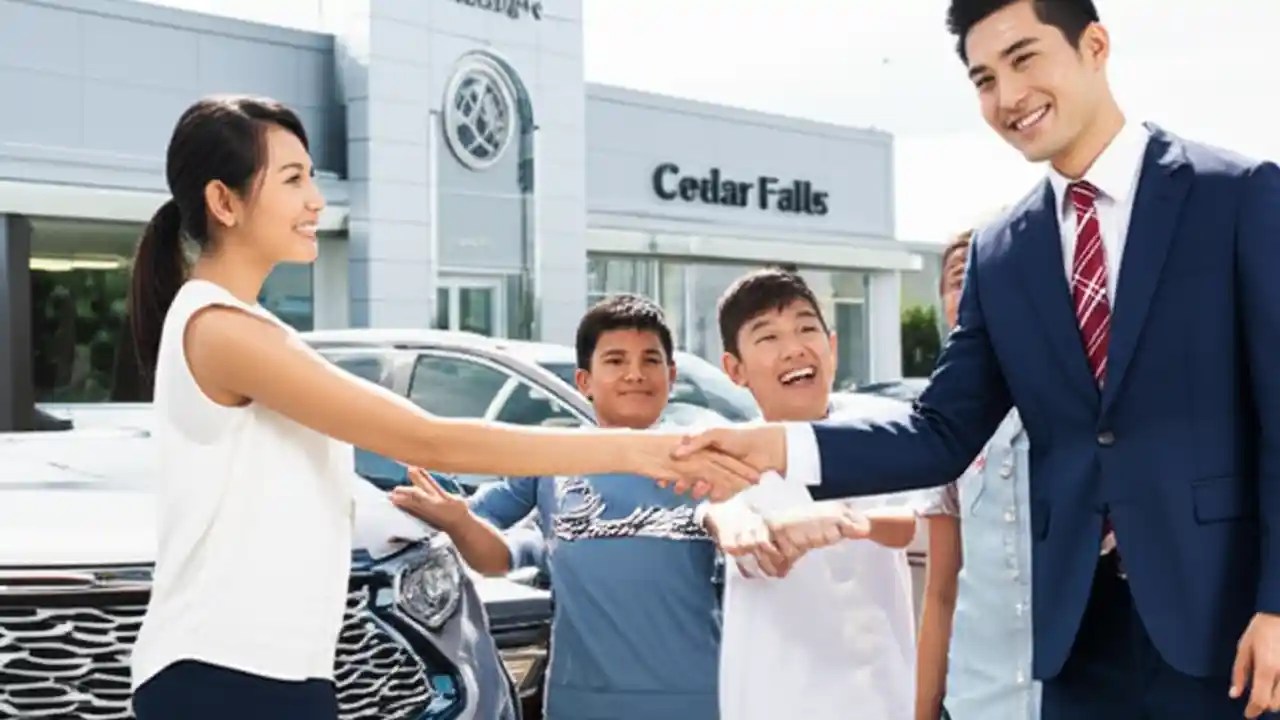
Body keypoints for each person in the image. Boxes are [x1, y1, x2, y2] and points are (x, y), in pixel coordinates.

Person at [676, 1, 1280, 718]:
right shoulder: (1002, 251)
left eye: (1025, 59)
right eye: (984, 79)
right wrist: (775, 445)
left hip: (1230, 629)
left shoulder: (1236, 196)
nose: (1008, 98)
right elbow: (940, 434)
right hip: (1078, 641)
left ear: (1094, 45)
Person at [125, 96, 753, 720]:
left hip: (272, 672)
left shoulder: (249, 327)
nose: (316, 199)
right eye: (292, 179)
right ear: (224, 201)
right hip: (222, 676)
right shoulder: (220, 329)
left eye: (312, 176)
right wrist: (631, 448)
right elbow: (427, 439)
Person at [391, 294, 723, 720]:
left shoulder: (701, 457)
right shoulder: (554, 458)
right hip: (580, 701)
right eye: (616, 360)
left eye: (651, 360)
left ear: (671, 375)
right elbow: (495, 552)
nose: (635, 374)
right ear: (584, 381)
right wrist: (456, 520)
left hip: (696, 698)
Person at [697, 268, 923, 720]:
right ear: (734, 369)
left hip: (883, 696)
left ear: (832, 347)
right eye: (768, 337)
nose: (794, 348)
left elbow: (923, 528)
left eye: (806, 328)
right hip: (775, 701)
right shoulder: (728, 453)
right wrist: (742, 526)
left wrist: (844, 523)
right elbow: (723, 516)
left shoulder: (880, 434)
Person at [914, 230, 1040, 720]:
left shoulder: (1083, 402)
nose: (973, 293)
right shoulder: (941, 424)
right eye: (959, 281)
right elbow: (941, 591)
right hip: (976, 700)